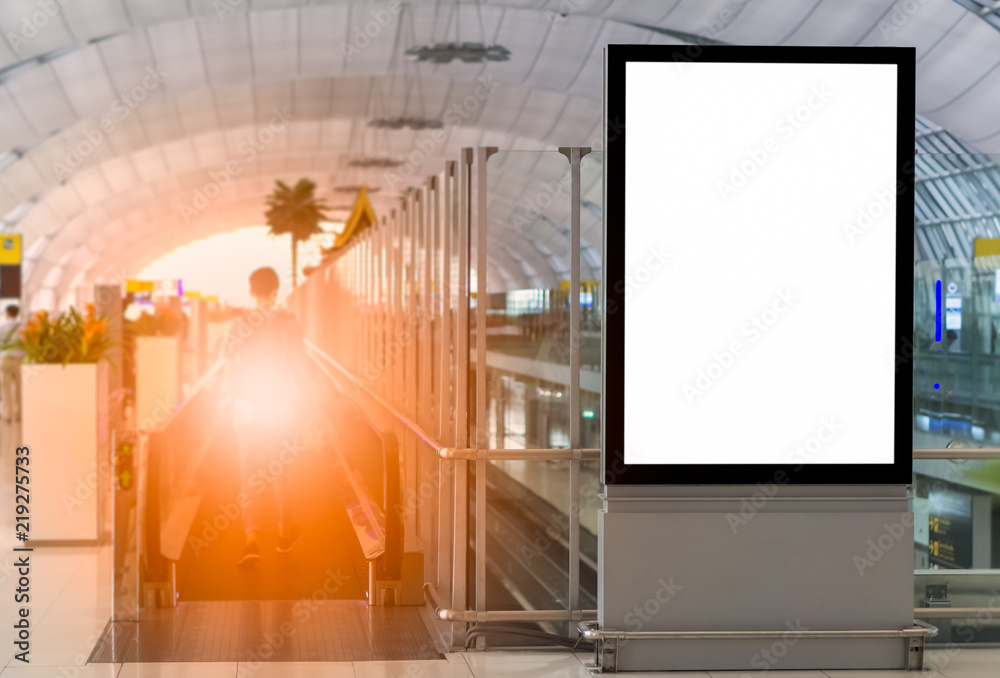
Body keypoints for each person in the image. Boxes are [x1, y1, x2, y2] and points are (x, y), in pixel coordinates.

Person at [222, 267, 315, 567]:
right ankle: (285, 531)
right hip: (280, 407)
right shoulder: (288, 324)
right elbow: (298, 366)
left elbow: (229, 364)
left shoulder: (239, 324)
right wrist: (310, 405)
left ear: (251, 292)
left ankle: (251, 538)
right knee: (281, 471)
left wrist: (228, 403)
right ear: (276, 292)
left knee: (249, 475)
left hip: (247, 408)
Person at [0, 305, 24, 423]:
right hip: (20, 359)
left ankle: (7, 415)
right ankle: (19, 414)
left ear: (8, 314)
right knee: (19, 387)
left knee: (6, 388)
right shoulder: (22, 327)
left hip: (6, 359)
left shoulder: (2, 327)